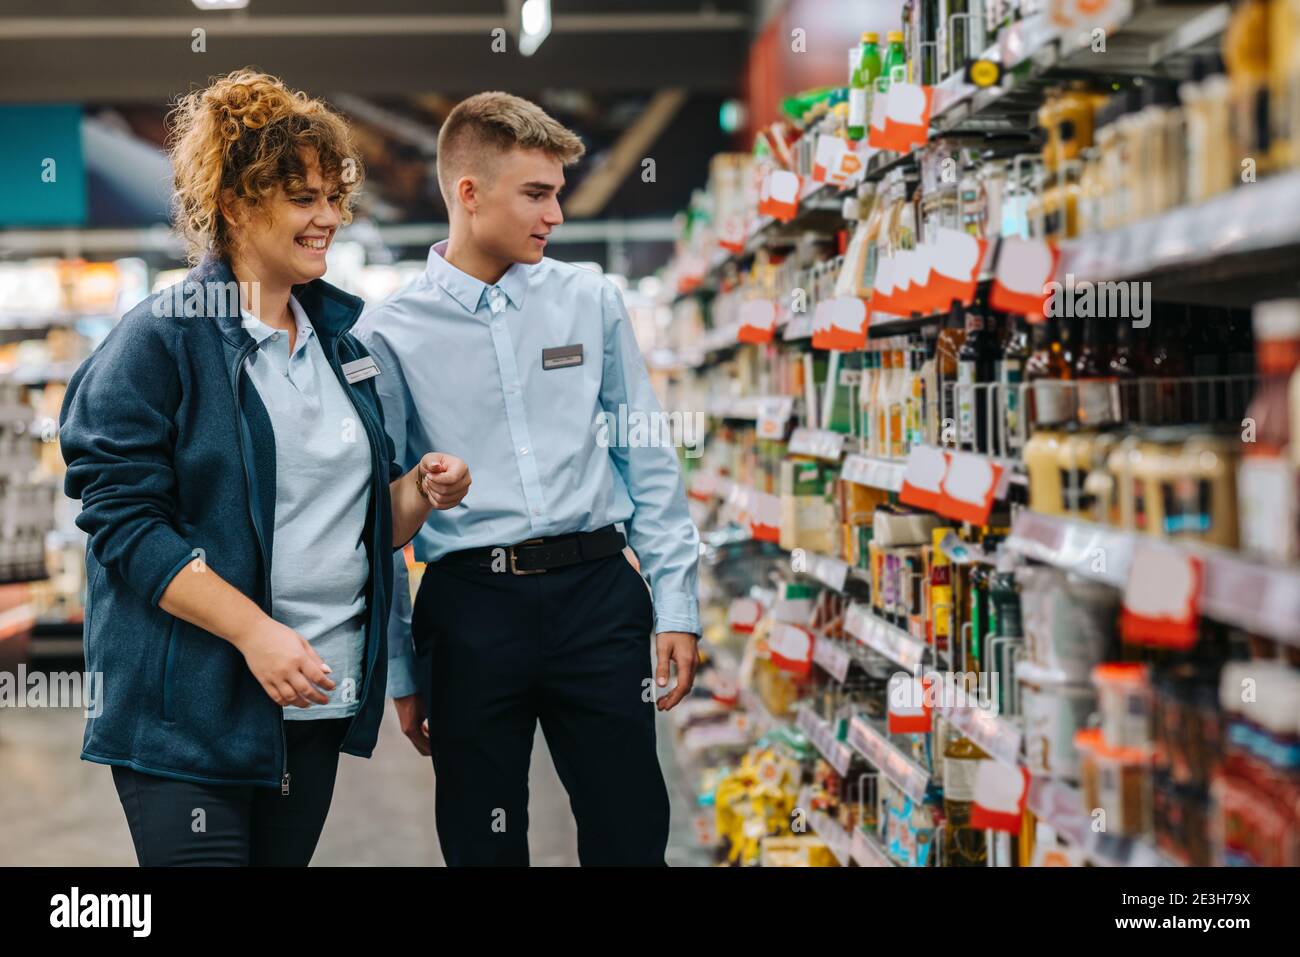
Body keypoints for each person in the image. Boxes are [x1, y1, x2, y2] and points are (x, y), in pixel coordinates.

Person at [58, 69, 471, 866]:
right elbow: (125, 524)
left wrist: (418, 489)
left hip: (307, 702)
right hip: (188, 717)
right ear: (238, 204)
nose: (328, 219)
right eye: (303, 198)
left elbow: (355, 527)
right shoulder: (163, 340)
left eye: (332, 197)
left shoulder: (343, 350)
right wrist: (255, 633)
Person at [356, 91, 700, 867]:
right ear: (468, 194)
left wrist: (677, 601)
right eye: (537, 194)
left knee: (630, 833)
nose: (557, 215)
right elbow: (379, 517)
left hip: (599, 599)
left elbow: (643, 450)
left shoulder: (590, 300)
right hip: (471, 610)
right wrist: (402, 666)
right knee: (481, 842)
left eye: (557, 193)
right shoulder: (387, 334)